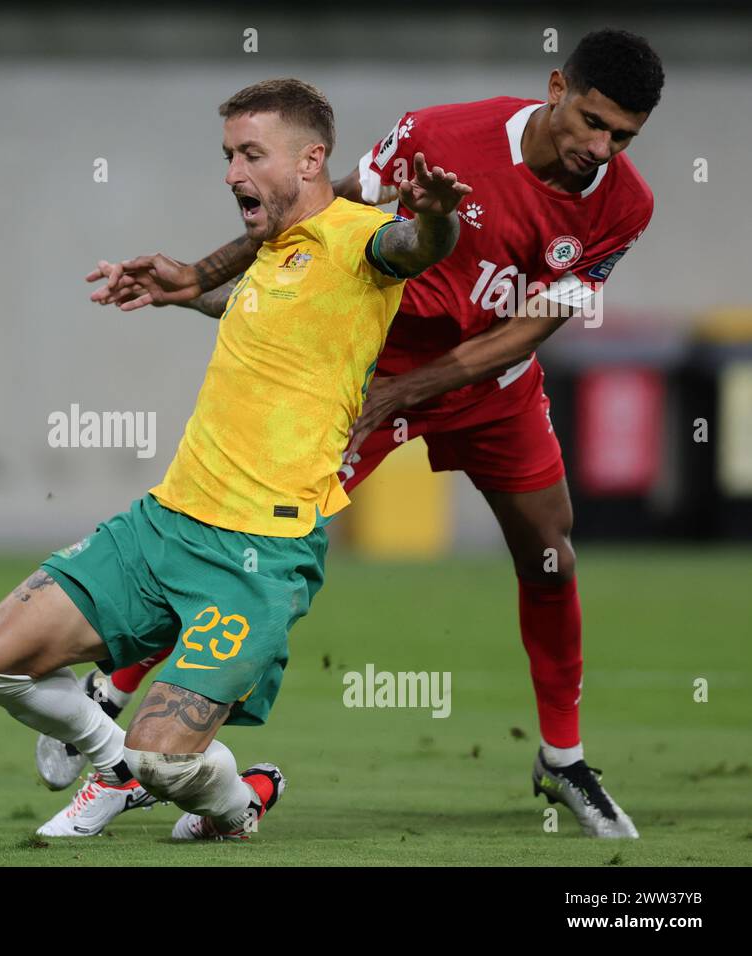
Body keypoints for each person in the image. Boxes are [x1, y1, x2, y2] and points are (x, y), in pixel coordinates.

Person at [62, 29, 662, 839]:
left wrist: (409, 394)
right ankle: (119, 687)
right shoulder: (441, 135)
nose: (601, 147)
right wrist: (203, 275)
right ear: (557, 87)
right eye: (591, 122)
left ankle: (561, 758)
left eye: (621, 136)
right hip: (374, 362)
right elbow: (322, 212)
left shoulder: (626, 206)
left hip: (490, 385)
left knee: (550, 553)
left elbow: (524, 334)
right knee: (257, 534)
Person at [0, 78, 469, 839]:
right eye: (228, 154)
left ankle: (235, 801)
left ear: (311, 161)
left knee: (166, 763)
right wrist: (184, 289)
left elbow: (414, 247)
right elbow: (260, 315)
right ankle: (115, 764)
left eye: (251, 154)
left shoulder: (361, 240)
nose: (232, 172)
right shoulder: (273, 255)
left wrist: (436, 221)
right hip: (164, 525)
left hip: (258, 553)